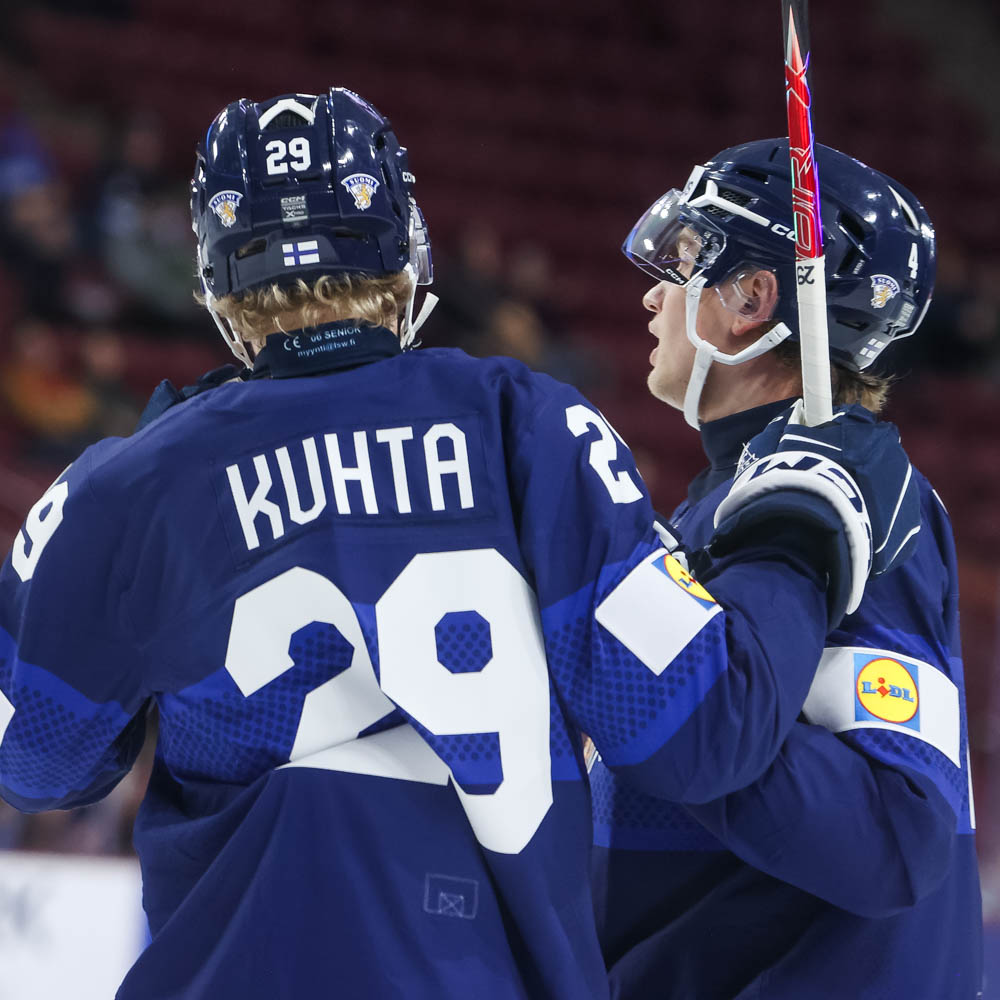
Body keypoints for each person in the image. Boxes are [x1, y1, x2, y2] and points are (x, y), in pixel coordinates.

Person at [0, 93, 918, 1000]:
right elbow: (700, 734)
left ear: (213, 279)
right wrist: (801, 529)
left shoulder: (126, 484)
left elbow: (36, 764)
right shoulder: (531, 427)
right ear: (406, 250)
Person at [591, 139, 983, 999]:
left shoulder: (850, 506)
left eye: (687, 262)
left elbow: (894, 836)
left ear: (752, 297)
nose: (655, 293)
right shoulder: (728, 502)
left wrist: (667, 707)